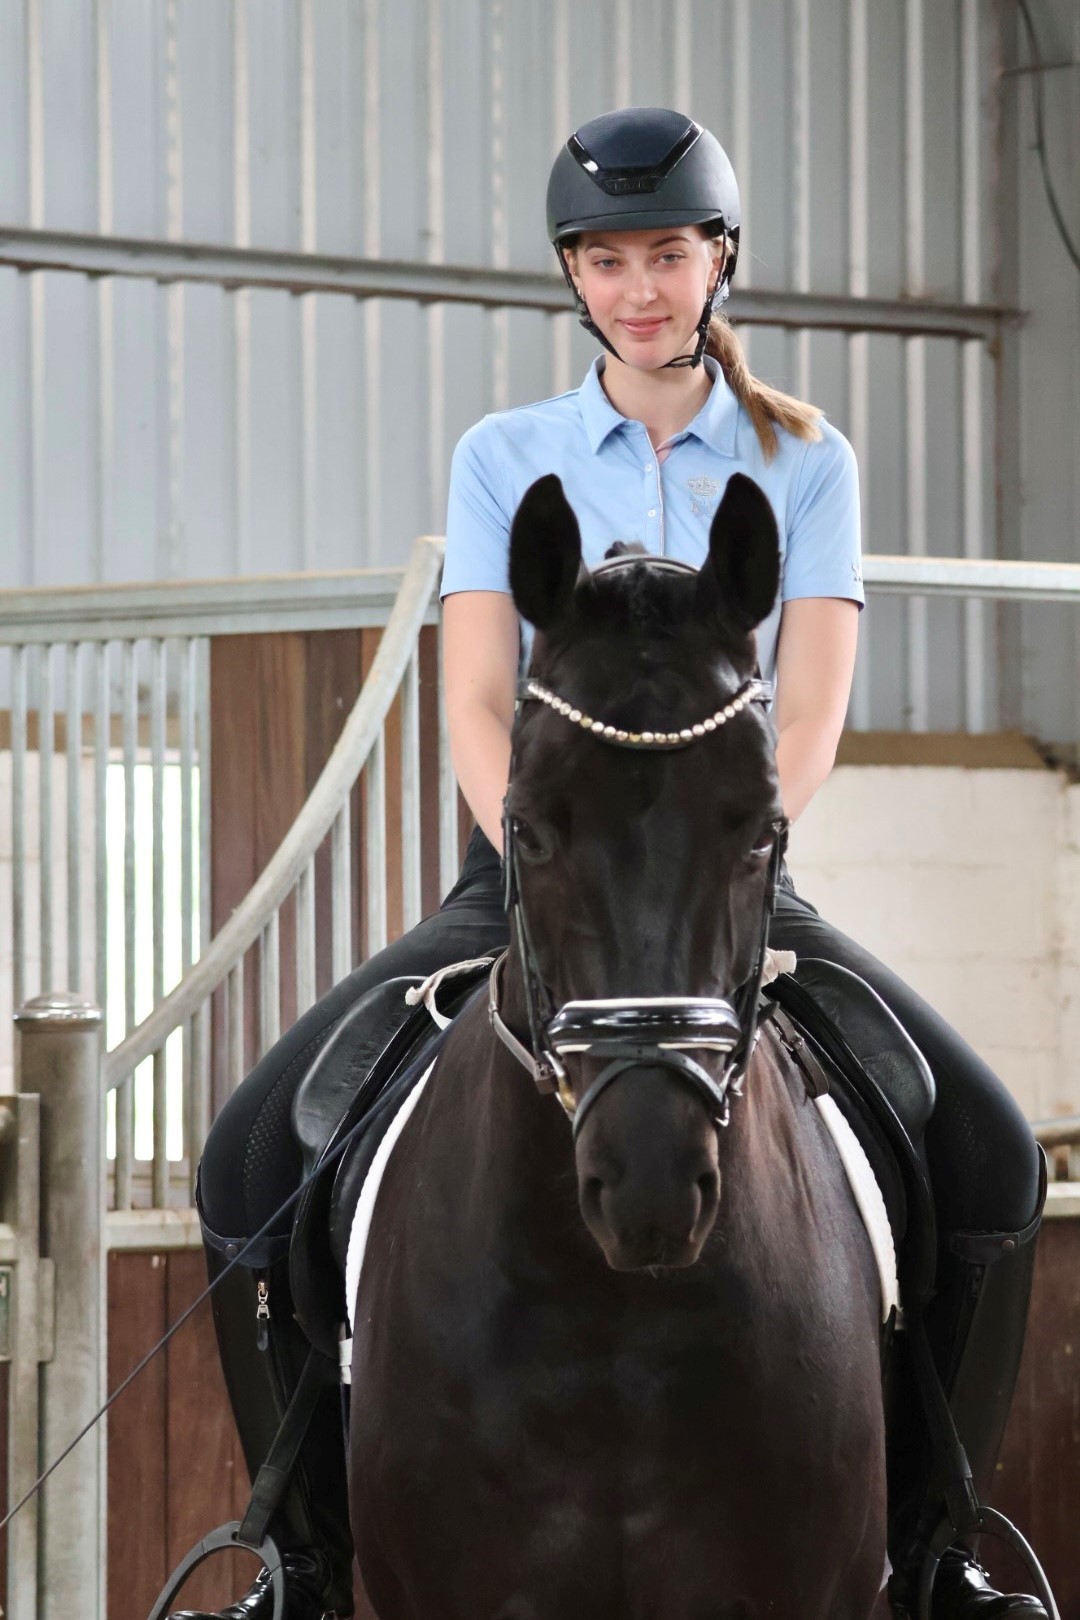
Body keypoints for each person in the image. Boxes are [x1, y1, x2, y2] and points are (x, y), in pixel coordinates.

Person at [174, 108, 1047, 1620]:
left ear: (721, 262)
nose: (640, 287)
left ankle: (935, 1550)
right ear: (572, 277)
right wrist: (534, 858)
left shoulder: (803, 458)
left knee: (988, 1151)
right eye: (607, 259)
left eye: (667, 254)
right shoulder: (504, 458)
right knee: (252, 1151)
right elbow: (471, 699)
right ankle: (303, 1558)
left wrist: (733, 851)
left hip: (725, 884)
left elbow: (813, 715)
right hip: (531, 876)